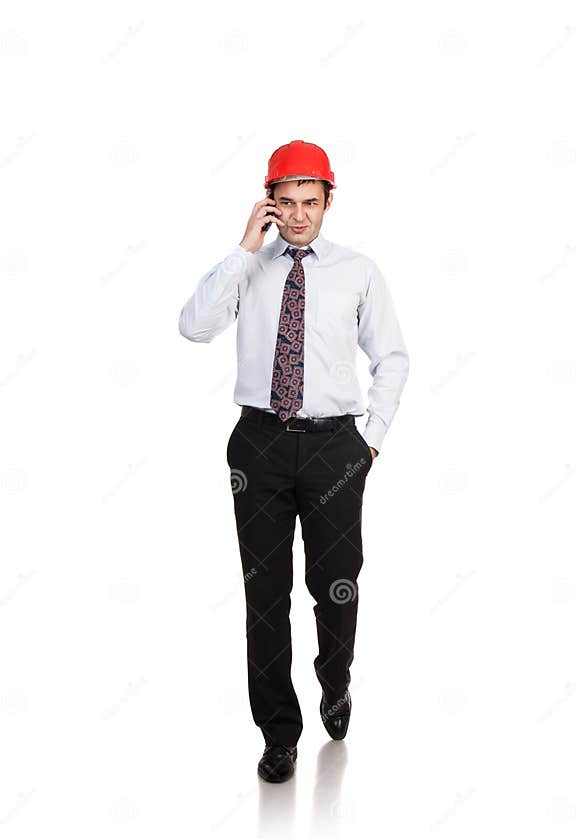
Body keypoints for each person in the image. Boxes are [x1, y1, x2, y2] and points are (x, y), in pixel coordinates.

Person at [178, 140, 409, 783]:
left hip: (336, 445)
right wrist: (243, 249)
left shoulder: (358, 271)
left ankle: (335, 684)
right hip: (259, 444)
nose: (300, 214)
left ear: (329, 201)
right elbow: (193, 327)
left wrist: (372, 441)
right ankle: (278, 733)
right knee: (265, 593)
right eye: (287, 202)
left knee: (336, 585)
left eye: (311, 202)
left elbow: (391, 357)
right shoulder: (247, 267)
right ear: (269, 202)